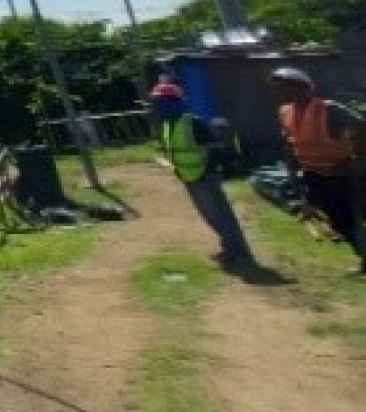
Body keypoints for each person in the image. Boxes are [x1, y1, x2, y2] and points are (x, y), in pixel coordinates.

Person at [149, 79, 255, 270]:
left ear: (174, 103)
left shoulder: (192, 123)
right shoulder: (167, 125)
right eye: (156, 103)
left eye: (161, 102)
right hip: (188, 176)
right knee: (210, 216)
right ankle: (229, 248)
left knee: (222, 215)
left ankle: (240, 254)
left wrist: (209, 169)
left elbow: (214, 148)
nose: (157, 107)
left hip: (204, 175)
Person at [269, 66, 366, 274]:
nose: (278, 93)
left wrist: (357, 161)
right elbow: (290, 145)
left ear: (302, 87)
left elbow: (361, 128)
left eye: (282, 87)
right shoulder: (286, 113)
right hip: (316, 177)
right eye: (276, 88)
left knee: (353, 220)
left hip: (343, 176)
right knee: (340, 223)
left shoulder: (329, 110)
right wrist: (293, 175)